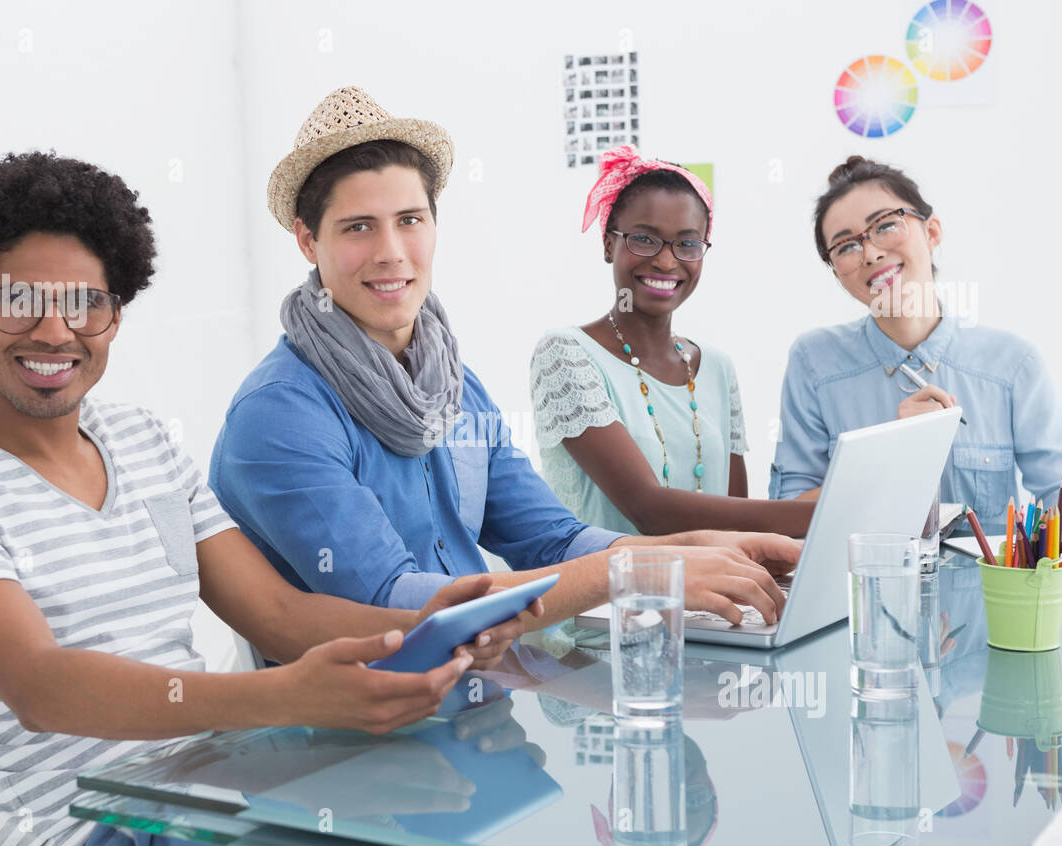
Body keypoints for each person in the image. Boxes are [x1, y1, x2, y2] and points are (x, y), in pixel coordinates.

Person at [0, 152, 536, 846]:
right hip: (100, 837)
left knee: (468, 820)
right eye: (19, 302)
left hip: (229, 792)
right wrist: (283, 697)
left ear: (116, 314)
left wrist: (434, 626)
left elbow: (275, 614)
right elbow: (40, 687)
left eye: (85, 303)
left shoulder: (144, 441)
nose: (55, 333)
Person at [209, 88, 801, 636]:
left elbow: (554, 540)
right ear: (308, 242)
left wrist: (696, 546)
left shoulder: (459, 389)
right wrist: (641, 570)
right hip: (350, 739)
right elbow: (392, 601)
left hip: (483, 702)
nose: (391, 253)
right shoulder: (280, 414)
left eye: (409, 220)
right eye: (358, 227)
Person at [769, 156, 1062, 536]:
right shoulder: (814, 362)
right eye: (845, 247)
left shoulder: (1012, 363)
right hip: (861, 591)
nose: (870, 253)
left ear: (932, 232)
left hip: (985, 596)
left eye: (885, 226)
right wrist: (890, 454)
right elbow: (785, 518)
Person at [530, 146, 814, 537]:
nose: (666, 261)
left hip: (711, 593)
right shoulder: (566, 355)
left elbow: (737, 520)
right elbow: (648, 509)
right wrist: (832, 512)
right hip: (606, 595)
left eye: (687, 243)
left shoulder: (716, 368)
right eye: (645, 239)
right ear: (608, 243)